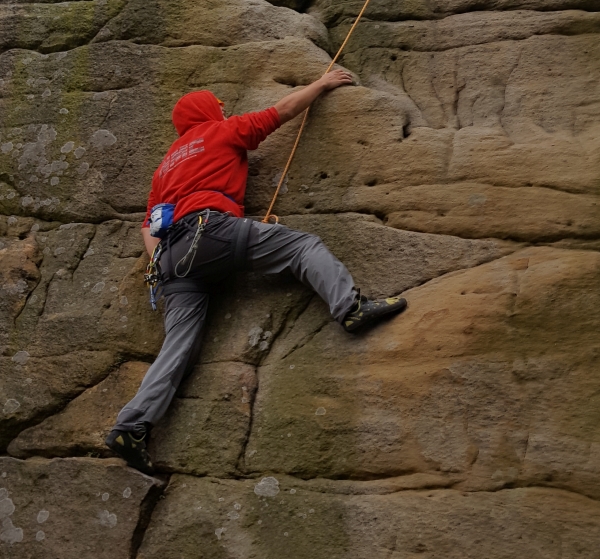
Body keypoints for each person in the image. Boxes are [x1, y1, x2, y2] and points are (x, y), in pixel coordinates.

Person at [105, 70, 407, 475]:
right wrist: (321, 85)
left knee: (179, 346)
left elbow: (148, 224)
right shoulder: (222, 131)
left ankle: (130, 427)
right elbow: (280, 112)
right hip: (211, 231)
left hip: (172, 258)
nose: (224, 108)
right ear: (208, 112)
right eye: (218, 105)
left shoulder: (165, 166)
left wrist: (161, 265)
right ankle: (349, 307)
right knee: (302, 246)